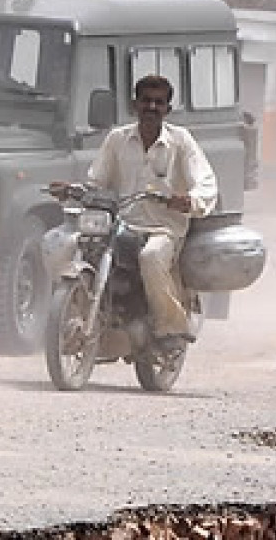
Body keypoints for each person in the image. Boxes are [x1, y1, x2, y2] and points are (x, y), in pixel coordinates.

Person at [87, 74, 218, 350]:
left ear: (167, 109)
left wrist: (188, 200)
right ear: (135, 105)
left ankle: (171, 327)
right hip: (122, 225)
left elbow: (205, 182)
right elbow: (96, 180)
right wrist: (76, 190)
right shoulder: (117, 139)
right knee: (78, 246)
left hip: (164, 230)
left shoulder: (181, 141)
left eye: (159, 102)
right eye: (146, 101)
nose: (152, 107)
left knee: (150, 257)